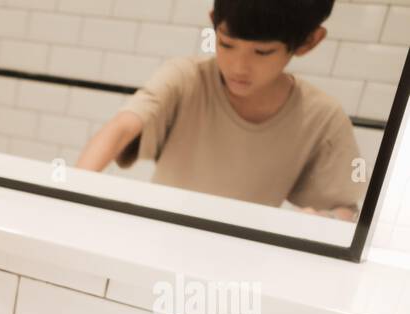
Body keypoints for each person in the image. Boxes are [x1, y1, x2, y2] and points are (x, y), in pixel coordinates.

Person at [77, 0, 363, 219]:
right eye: (226, 44)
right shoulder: (186, 77)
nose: (239, 67)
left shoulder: (322, 118)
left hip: (240, 265)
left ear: (309, 41)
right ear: (214, 23)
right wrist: (69, 193)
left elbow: (345, 212)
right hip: (156, 238)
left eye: (262, 52)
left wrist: (322, 220)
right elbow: (121, 128)